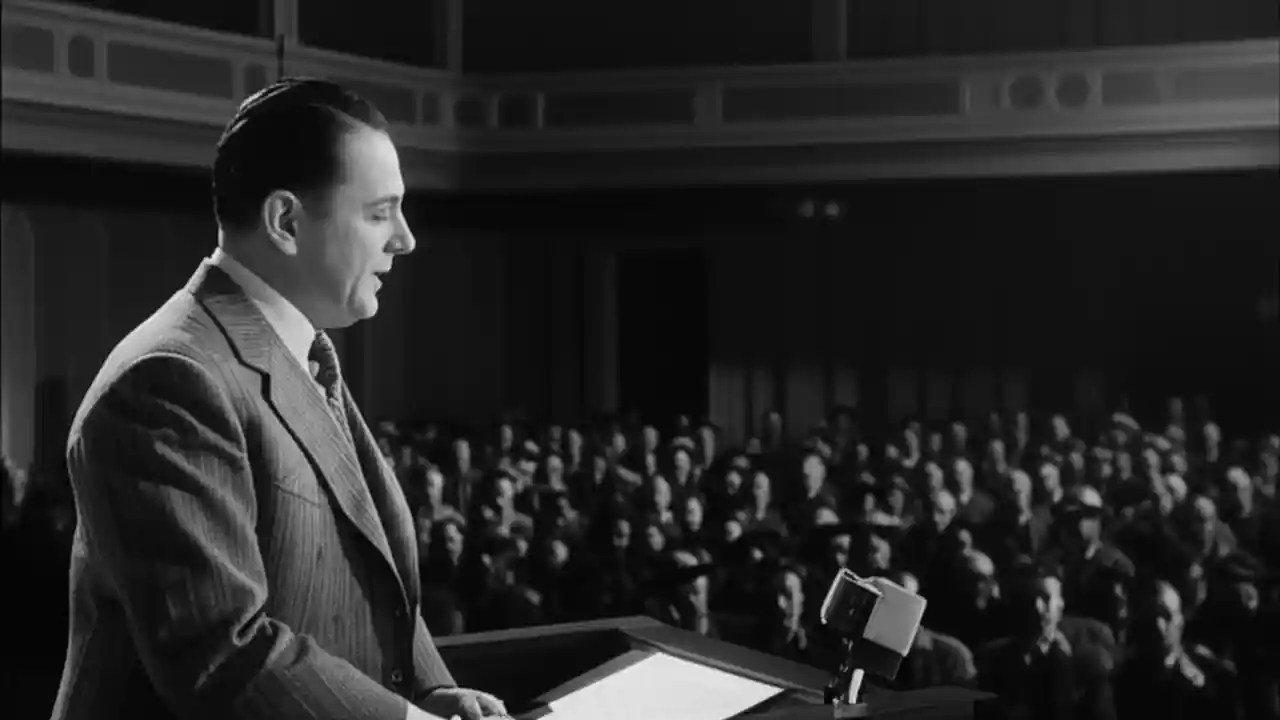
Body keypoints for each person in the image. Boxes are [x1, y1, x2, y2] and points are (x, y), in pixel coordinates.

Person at [51, 78, 508, 720]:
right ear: (286, 221)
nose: (404, 239)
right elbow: (221, 651)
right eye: (380, 213)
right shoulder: (167, 381)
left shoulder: (299, 347)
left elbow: (364, 576)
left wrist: (428, 690)